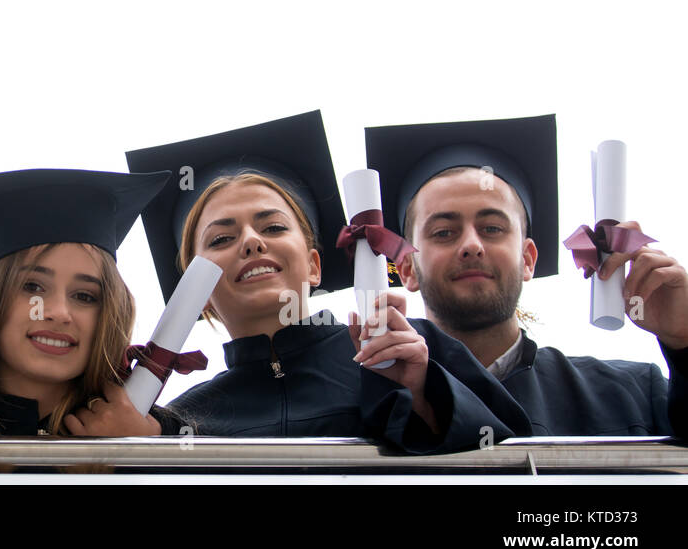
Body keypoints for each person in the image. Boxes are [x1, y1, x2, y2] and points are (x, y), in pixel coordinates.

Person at [127, 111, 530, 450]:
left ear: (315, 265)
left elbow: (510, 458)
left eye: (272, 227)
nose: (250, 242)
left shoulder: (417, 353)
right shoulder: (179, 423)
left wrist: (425, 395)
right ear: (201, 295)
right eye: (222, 238)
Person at [367, 114, 687, 438]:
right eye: (444, 232)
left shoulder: (630, 395)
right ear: (407, 269)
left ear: (527, 259)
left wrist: (685, 340)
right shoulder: (369, 400)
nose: (472, 245)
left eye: (492, 228)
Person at [0, 168, 179, 437]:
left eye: (84, 296)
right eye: (33, 287)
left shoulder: (169, 441)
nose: (58, 313)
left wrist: (150, 458)